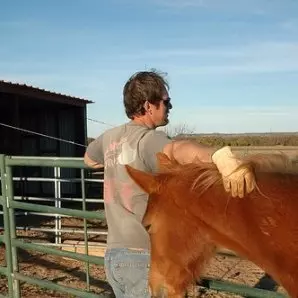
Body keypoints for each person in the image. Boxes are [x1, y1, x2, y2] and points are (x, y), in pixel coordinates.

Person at [84, 70, 255, 297]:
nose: (170, 107)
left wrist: (113, 160)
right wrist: (217, 157)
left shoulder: (109, 137)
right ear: (148, 105)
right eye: (166, 101)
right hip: (146, 259)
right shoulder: (148, 139)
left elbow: (89, 159)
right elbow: (177, 149)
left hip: (115, 256)